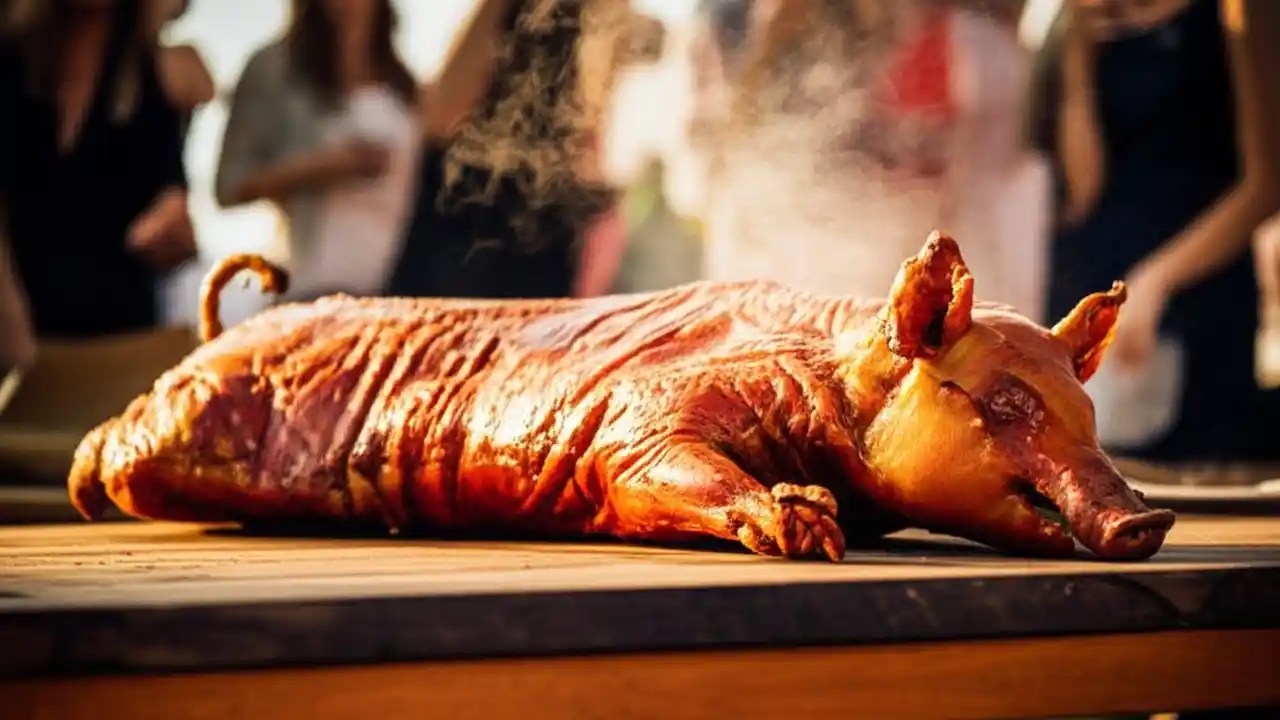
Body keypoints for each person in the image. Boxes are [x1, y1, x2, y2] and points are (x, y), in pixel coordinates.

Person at [676, 0, 1048, 319]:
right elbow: (722, 178)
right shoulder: (764, 36)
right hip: (796, 281)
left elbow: (985, 184)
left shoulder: (967, 46)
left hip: (902, 282)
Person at [1030, 0, 1280, 462]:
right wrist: (1078, 62)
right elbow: (1085, 189)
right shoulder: (1087, 20)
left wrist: (1156, 281)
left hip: (1195, 296)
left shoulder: (1239, 11)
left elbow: (1266, 184)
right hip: (1099, 289)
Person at [383, 0, 625, 300]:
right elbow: (439, 117)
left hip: (541, 258)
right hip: (455, 248)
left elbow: (594, 152)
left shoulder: (594, 26)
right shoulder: (500, 16)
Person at [0, 0, 213, 339]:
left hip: (119, 335)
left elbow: (170, 195)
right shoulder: (13, 62)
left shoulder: (156, 71)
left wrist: (169, 228)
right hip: (17, 336)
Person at [215, 0, 420, 302]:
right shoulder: (276, 67)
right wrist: (331, 166)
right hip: (310, 288)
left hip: (394, 289)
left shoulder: (401, 80)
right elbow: (230, 185)